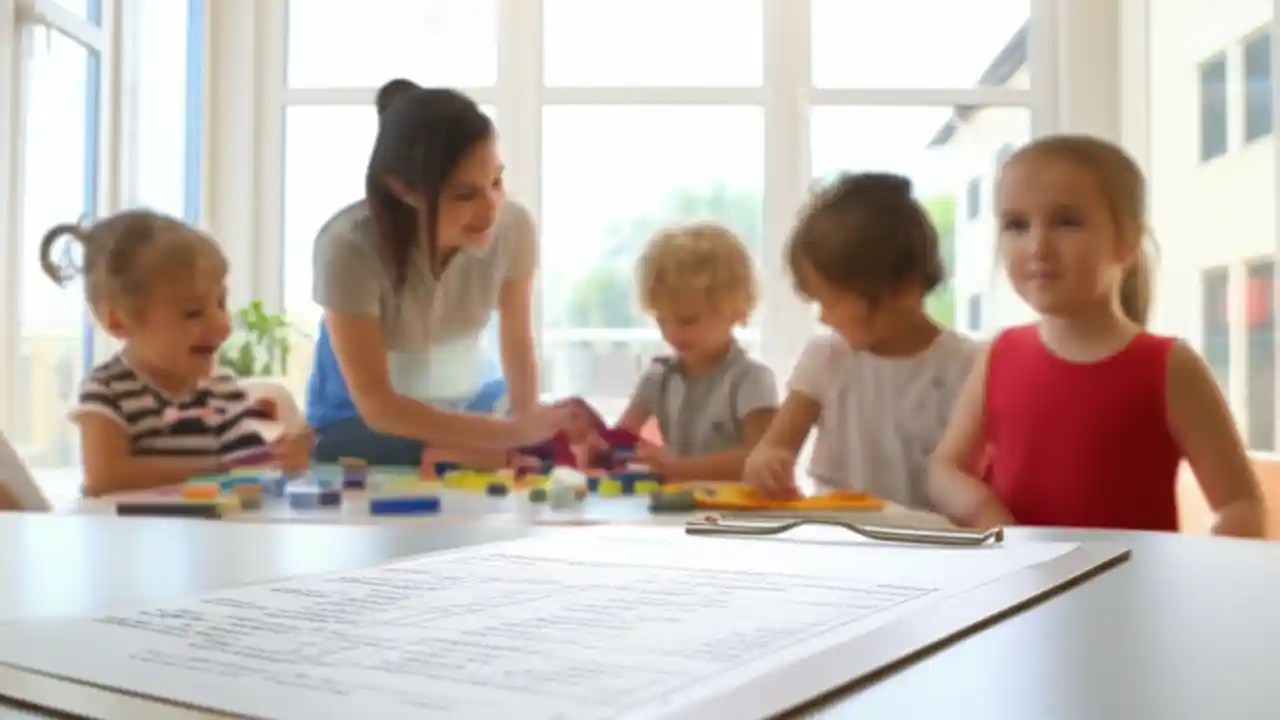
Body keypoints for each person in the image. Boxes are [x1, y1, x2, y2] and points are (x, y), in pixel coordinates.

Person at [928, 135, 1266, 537]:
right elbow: (944, 470)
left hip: (1126, 595)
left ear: (1126, 241)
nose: (1038, 246)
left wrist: (1210, 573)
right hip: (1016, 589)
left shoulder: (1169, 367)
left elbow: (1240, 503)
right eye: (1017, 225)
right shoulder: (1001, 354)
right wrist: (985, 510)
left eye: (1066, 222)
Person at [307, 80, 565, 465]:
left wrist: (526, 425)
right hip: (361, 415)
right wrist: (503, 436)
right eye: (464, 195)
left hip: (465, 393)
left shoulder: (514, 226)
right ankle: (444, 454)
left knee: (545, 439)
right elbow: (379, 407)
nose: (490, 209)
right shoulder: (348, 247)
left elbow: (517, 344)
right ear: (402, 190)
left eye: (496, 182)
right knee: (353, 446)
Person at [744, 174, 979, 506]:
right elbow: (775, 445)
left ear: (903, 290)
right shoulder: (824, 358)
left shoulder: (967, 366)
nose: (823, 317)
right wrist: (767, 461)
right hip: (842, 534)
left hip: (936, 541)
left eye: (832, 301)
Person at [41, 211, 313, 496]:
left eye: (221, 303)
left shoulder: (222, 389)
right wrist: (218, 468)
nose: (222, 325)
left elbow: (246, 466)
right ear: (119, 321)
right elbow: (105, 475)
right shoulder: (107, 390)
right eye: (193, 313)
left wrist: (280, 458)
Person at [614, 222, 778, 482]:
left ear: (736, 310)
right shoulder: (658, 377)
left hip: (736, 514)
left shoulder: (751, 380)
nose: (672, 332)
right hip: (675, 511)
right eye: (661, 320)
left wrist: (679, 469)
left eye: (688, 320)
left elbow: (762, 457)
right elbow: (619, 441)